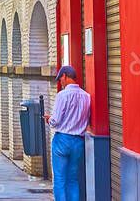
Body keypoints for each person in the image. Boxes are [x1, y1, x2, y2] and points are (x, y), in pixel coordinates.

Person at [46, 66, 91, 201]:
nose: (61, 82)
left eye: (60, 79)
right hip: (78, 141)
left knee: (60, 179)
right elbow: (86, 119)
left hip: (62, 140)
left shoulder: (62, 95)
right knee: (73, 179)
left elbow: (56, 120)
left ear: (65, 76)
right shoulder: (86, 96)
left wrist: (49, 119)